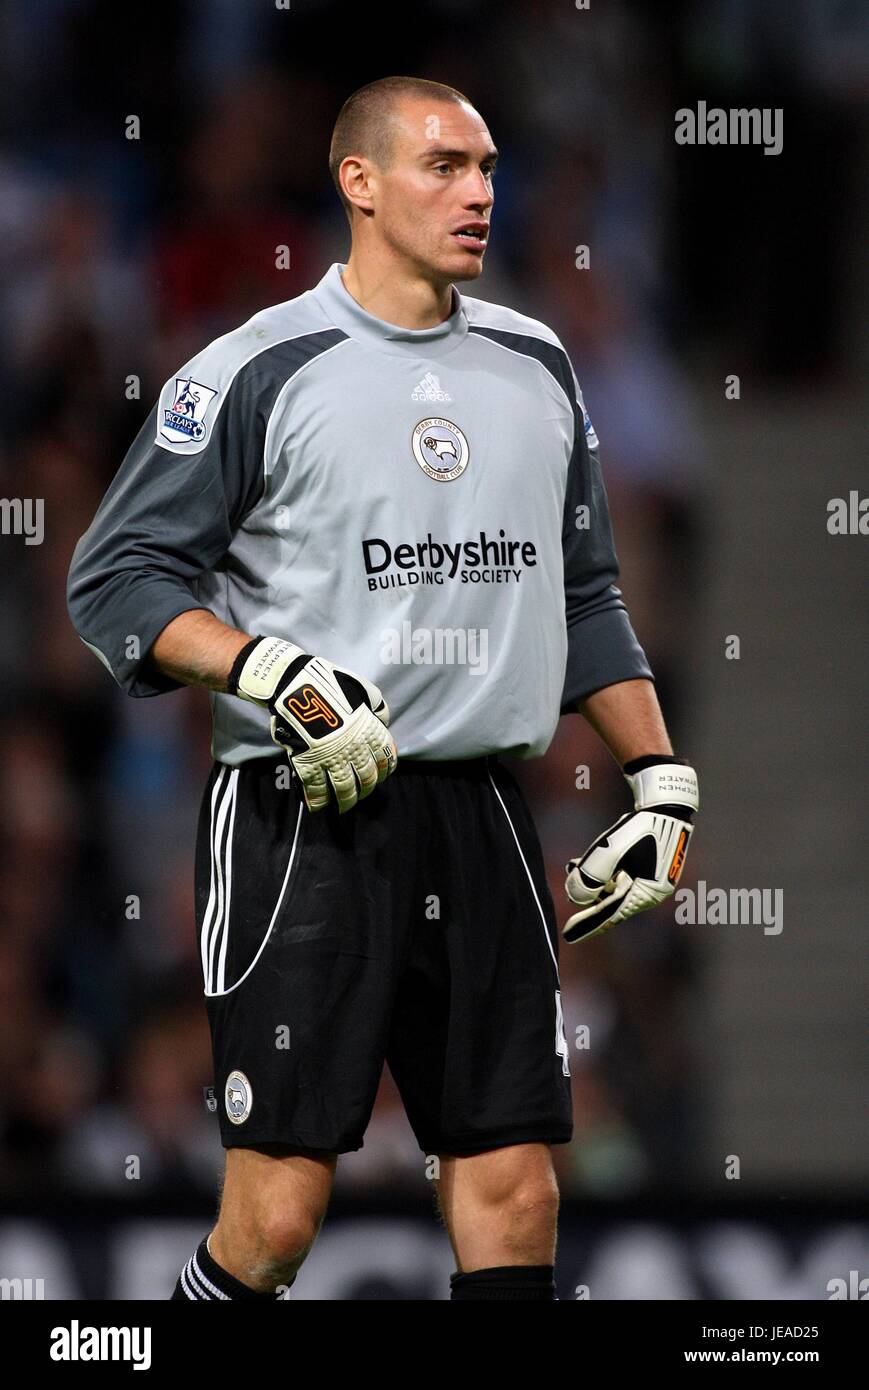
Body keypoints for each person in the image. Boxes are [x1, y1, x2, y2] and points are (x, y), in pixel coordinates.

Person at [67, 75, 698, 1302]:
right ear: (357, 182)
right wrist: (268, 667)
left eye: (488, 167)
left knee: (516, 1190)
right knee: (278, 1214)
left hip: (481, 813)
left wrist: (659, 778)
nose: (479, 193)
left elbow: (584, 593)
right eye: (444, 166)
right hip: (305, 817)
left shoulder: (535, 362)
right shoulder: (254, 368)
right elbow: (116, 579)